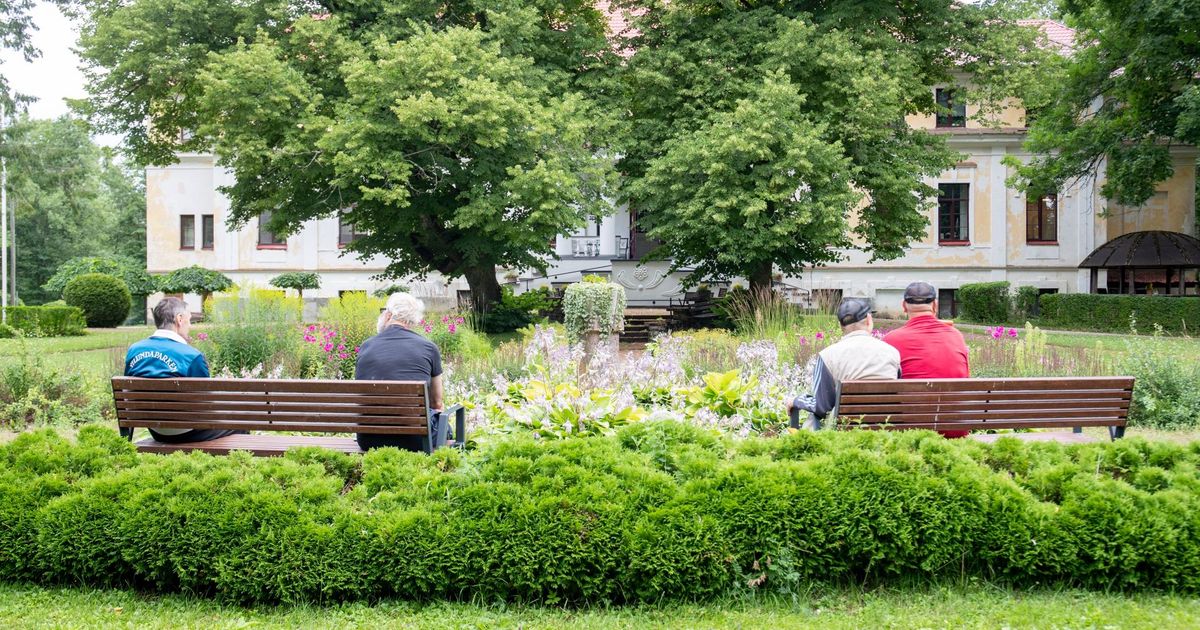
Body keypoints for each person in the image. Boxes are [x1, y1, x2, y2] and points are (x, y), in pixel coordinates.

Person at [124, 297, 241, 443]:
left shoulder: (134, 351)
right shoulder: (191, 356)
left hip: (156, 430)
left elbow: (127, 394)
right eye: (189, 320)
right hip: (188, 432)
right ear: (179, 319)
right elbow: (206, 403)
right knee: (239, 423)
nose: (190, 325)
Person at [354, 292, 447, 451]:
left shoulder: (366, 346)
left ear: (389, 315)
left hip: (369, 439)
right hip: (415, 440)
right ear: (413, 320)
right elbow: (436, 403)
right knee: (444, 424)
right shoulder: (428, 347)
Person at [787, 297, 900, 429]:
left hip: (844, 433)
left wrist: (796, 400)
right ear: (869, 320)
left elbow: (822, 407)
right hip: (885, 429)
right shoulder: (892, 352)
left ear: (840, 326)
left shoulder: (827, 356)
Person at [883, 281, 971, 438]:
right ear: (935, 305)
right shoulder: (955, 335)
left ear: (904, 306)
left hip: (912, 431)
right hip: (956, 428)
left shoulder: (892, 340)